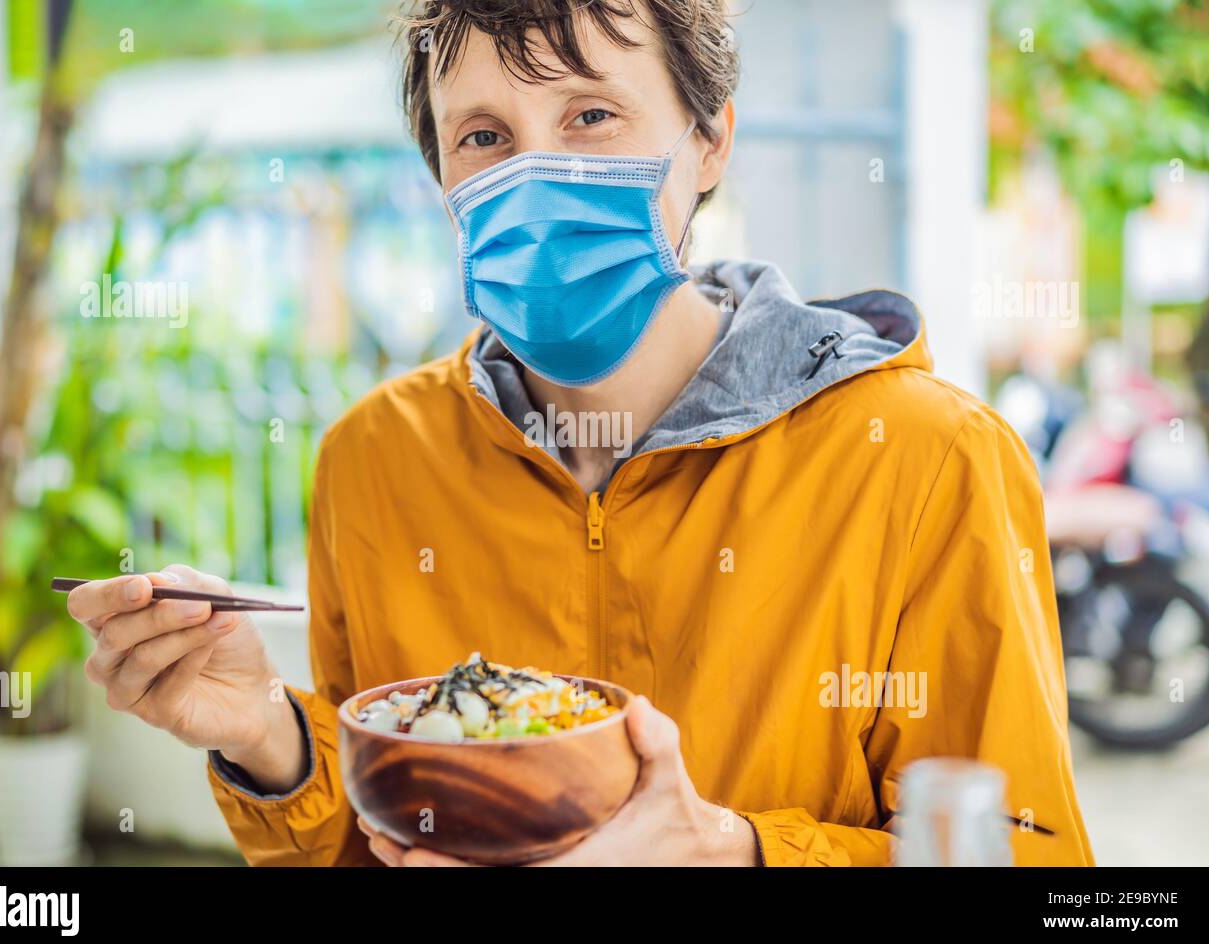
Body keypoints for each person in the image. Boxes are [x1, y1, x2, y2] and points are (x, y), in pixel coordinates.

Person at [69, 0, 1094, 866]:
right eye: (483, 136)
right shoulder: (372, 459)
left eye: (591, 113)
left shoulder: (928, 458)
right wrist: (272, 739)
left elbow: (1026, 850)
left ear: (709, 140)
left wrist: (736, 848)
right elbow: (378, 838)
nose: (536, 173)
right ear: (444, 180)